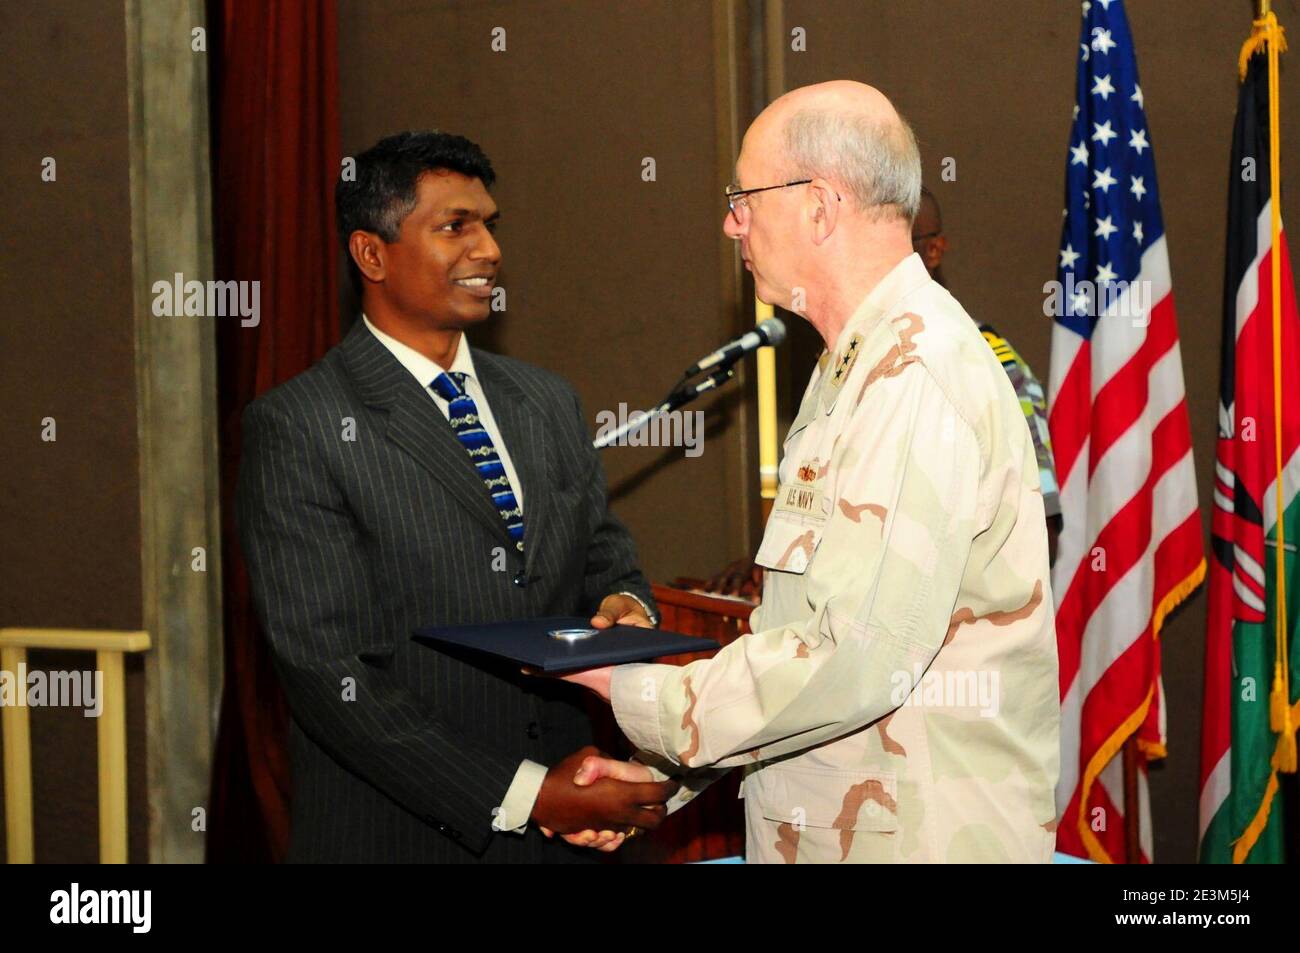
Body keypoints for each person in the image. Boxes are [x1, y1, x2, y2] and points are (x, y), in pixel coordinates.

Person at [564, 81, 1060, 863]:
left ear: (820, 207)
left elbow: (854, 657)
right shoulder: (851, 365)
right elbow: (794, 634)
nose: (731, 222)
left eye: (742, 197)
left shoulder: (914, 371)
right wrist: (662, 776)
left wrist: (636, 691)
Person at [237, 131, 675, 863]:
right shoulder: (300, 425)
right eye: (455, 227)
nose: (489, 250)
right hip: (402, 834)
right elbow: (328, 671)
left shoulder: (545, 400)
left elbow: (600, 548)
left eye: (490, 225)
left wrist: (628, 603)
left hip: (576, 827)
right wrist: (527, 793)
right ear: (371, 254)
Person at [912, 186, 1063, 563]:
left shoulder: (987, 360)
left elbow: (1039, 521)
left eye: (897, 241)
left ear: (933, 249)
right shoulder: (849, 356)